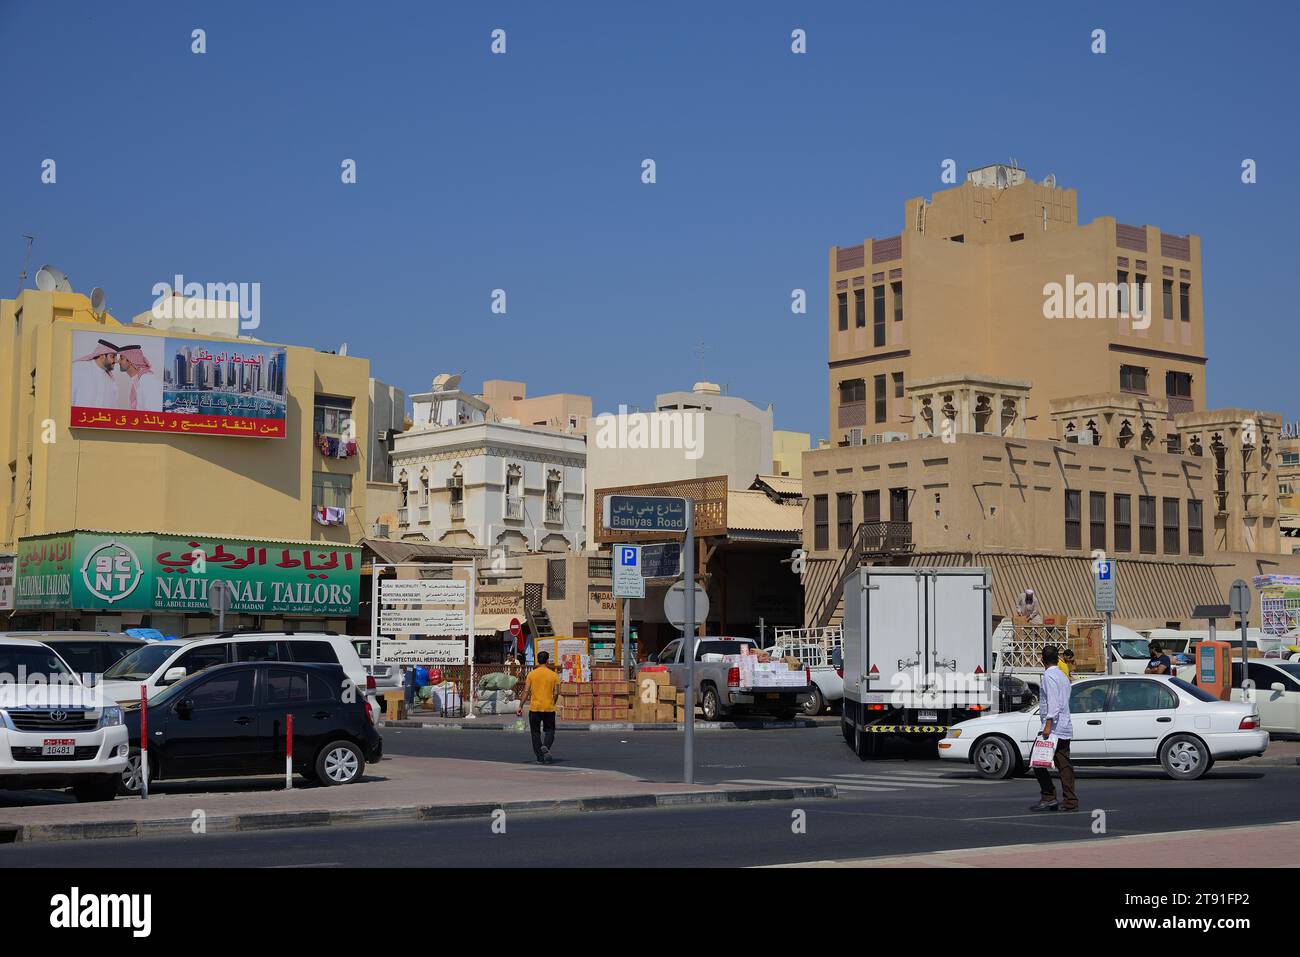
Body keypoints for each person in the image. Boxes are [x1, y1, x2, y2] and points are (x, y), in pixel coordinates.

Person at [1030, 645, 1077, 812]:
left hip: (1053, 728)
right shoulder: (1063, 676)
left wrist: (1048, 726)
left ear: (1042, 659)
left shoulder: (1049, 676)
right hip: (1064, 726)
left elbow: (1054, 703)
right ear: (1058, 658)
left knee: (1038, 762)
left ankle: (1049, 797)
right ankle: (1070, 801)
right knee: (1064, 765)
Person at [517, 650, 560, 764]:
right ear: (547, 660)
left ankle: (540, 758)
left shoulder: (532, 674)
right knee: (550, 730)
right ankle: (545, 746)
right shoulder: (554, 675)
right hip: (549, 707)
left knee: (535, 733)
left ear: (537, 660)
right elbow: (556, 692)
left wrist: (520, 705)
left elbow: (526, 691)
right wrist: (553, 702)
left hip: (535, 708)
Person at [71, 339, 123, 409]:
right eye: (112, 356)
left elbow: (113, 408)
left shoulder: (110, 380)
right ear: (102, 355)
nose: (116, 361)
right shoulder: (79, 368)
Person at [115, 343, 163, 411]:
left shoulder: (148, 381)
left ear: (130, 361)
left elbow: (154, 413)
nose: (118, 361)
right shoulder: (135, 381)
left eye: (121, 358)